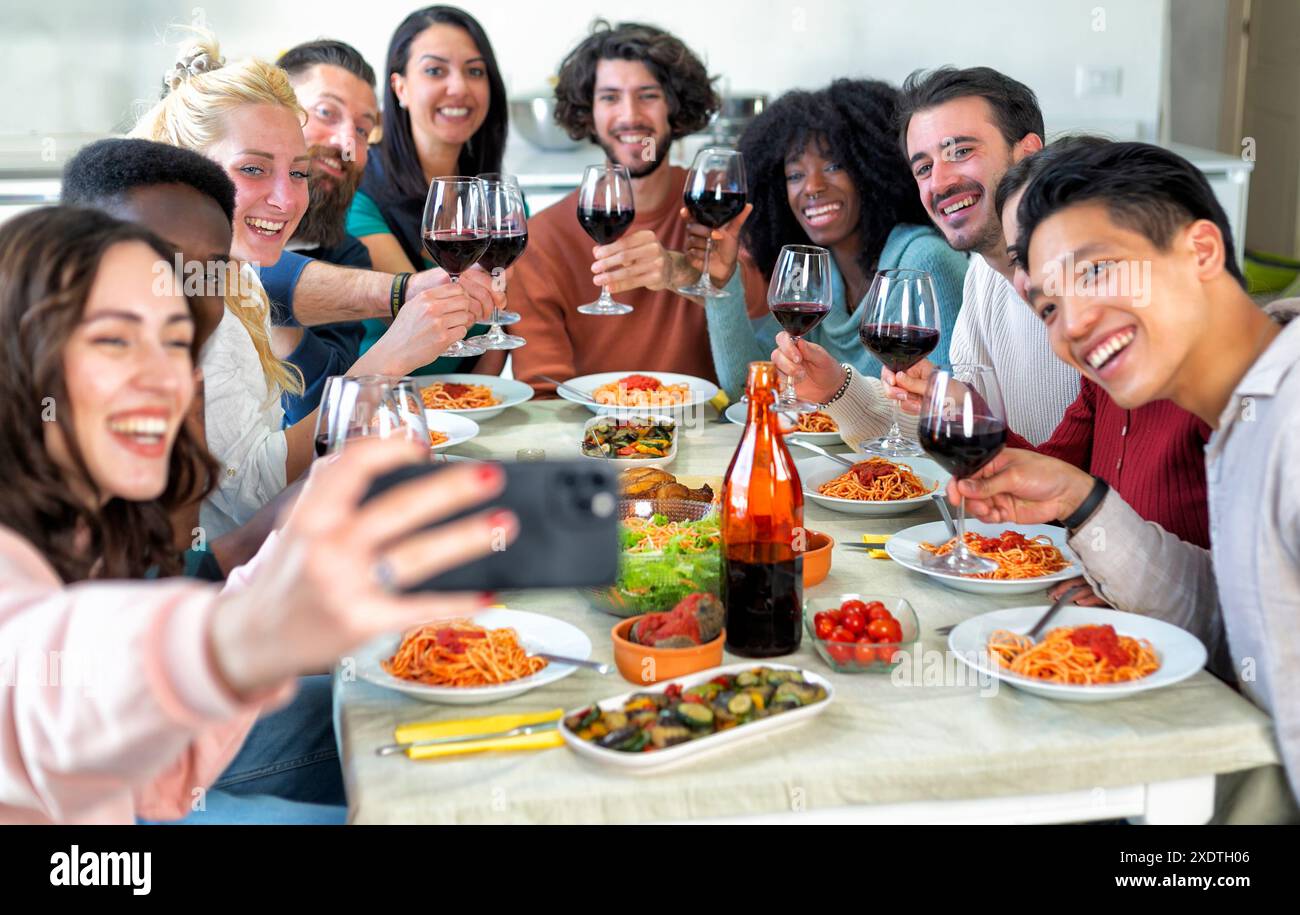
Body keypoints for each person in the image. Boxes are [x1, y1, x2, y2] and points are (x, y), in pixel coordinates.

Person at [0, 206, 515, 824]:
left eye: (175, 343)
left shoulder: (85, 516)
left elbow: (161, 769)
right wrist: (244, 635)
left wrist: (304, 526)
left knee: (459, 723)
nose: (164, 379)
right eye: (114, 340)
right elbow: (46, 697)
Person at [947, 141, 1300, 812]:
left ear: (1201, 251)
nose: (1074, 324)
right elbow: (1229, 624)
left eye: (1098, 271)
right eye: (1049, 308)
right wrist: (1084, 502)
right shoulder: (1246, 418)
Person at [129, 32, 487, 538]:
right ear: (187, 172)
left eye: (297, 173)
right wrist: (390, 358)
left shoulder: (239, 277)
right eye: (253, 169)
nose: (285, 199)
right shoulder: (183, 301)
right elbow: (256, 495)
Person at [773, 67, 1078, 445]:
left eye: (962, 151)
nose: (940, 182)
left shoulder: (1091, 286)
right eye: (924, 168)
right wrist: (836, 387)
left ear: (1028, 154)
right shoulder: (982, 274)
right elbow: (963, 436)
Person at [687, 79, 968, 400]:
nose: (812, 187)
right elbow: (746, 386)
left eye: (834, 166)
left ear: (871, 168)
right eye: (795, 175)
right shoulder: (818, 276)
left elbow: (949, 405)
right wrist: (723, 283)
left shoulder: (924, 260)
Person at [507, 21, 722, 395]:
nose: (630, 116)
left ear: (675, 106)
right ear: (587, 113)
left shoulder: (719, 210)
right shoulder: (541, 240)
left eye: (648, 95)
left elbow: (761, 321)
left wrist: (680, 272)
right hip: (590, 431)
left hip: (705, 426)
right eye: (610, 97)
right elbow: (544, 393)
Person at [348, 5, 508, 373]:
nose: (459, 87)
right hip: (381, 399)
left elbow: (502, 332)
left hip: (471, 401)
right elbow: (423, 315)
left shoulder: (502, 202)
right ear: (400, 88)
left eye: (475, 71)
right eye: (435, 71)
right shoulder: (358, 189)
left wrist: (484, 400)